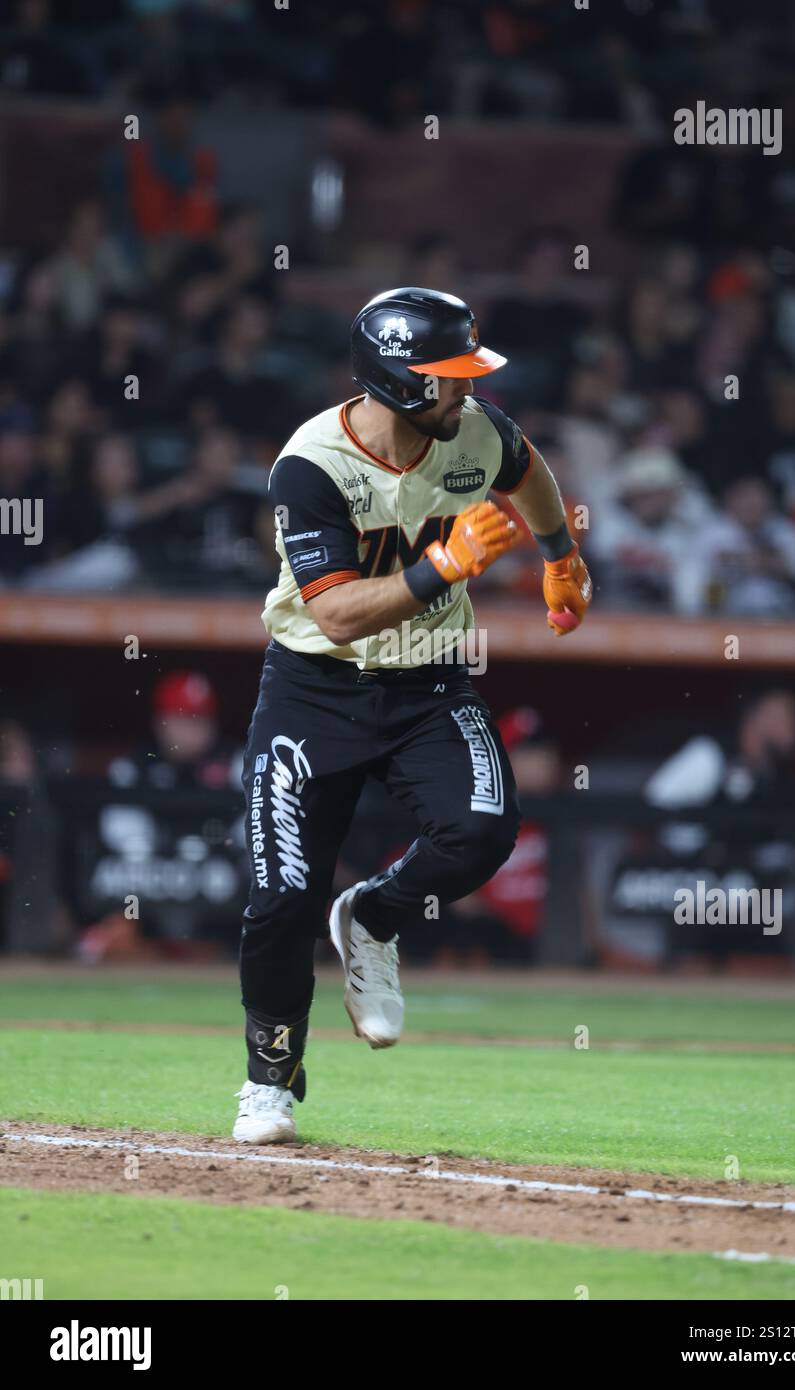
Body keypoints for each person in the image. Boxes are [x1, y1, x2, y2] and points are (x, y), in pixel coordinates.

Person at [233, 285, 593, 1143]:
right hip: (315, 688)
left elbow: (525, 465)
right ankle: (269, 1082)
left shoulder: (474, 430)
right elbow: (336, 614)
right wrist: (444, 565)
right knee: (281, 897)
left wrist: (559, 553)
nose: (465, 390)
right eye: (448, 376)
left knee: (483, 832)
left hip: (430, 682)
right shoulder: (310, 464)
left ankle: (375, 916)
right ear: (397, 380)